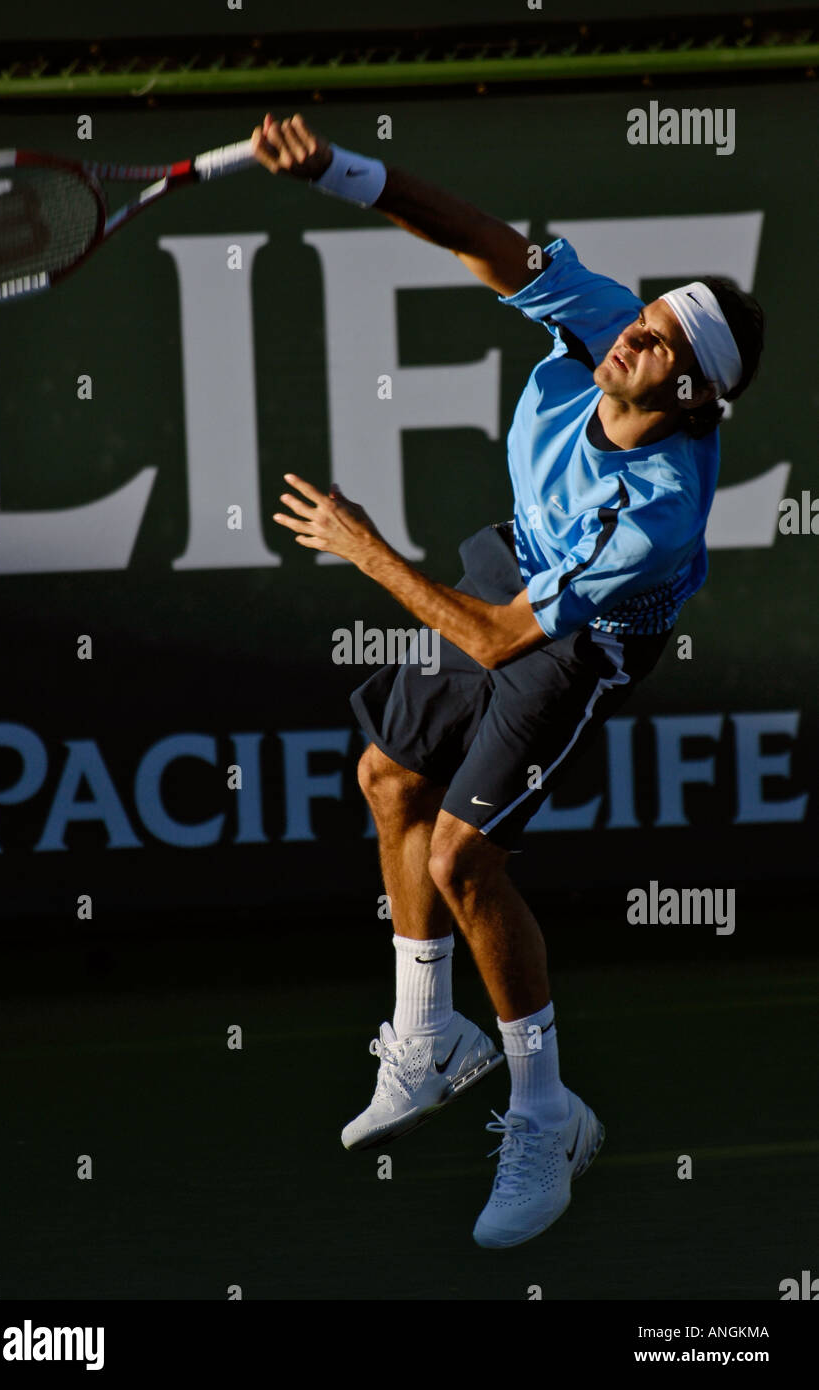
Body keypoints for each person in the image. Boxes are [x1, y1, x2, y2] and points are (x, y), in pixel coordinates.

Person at [254, 112, 765, 1248]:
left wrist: (364, 547)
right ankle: (428, 1035)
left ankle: (544, 1111)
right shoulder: (599, 327)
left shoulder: (657, 509)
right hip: (514, 563)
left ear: (688, 395)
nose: (633, 334)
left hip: (579, 637)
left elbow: (496, 642)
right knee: (388, 778)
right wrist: (338, 170)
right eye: (644, 317)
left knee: (461, 853)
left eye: (661, 343)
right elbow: (476, 236)